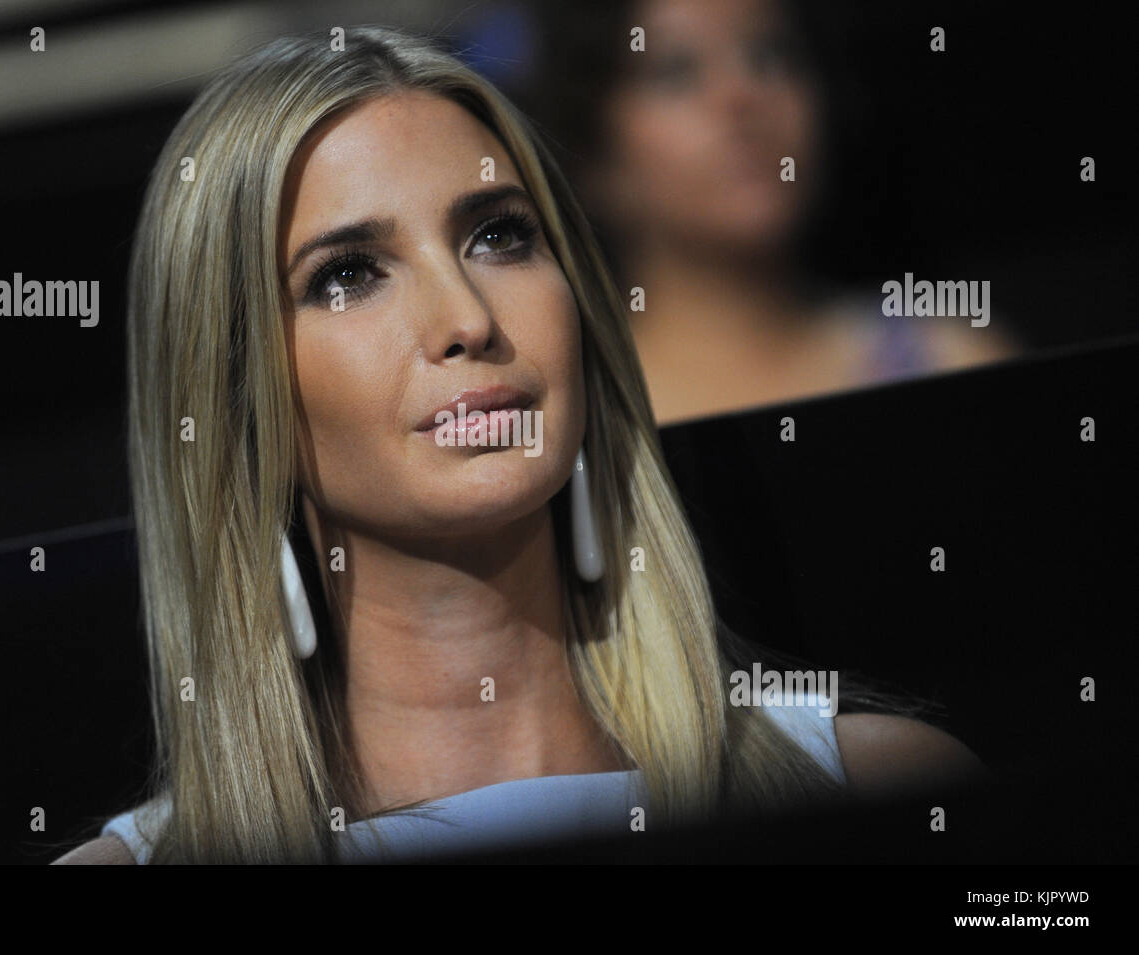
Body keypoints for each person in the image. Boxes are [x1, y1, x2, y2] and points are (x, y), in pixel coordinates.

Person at [53, 25, 986, 865]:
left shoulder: (886, 792)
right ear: (235, 398)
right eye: (346, 276)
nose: (466, 318)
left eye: (499, 235)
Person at [522, 0, 1019, 423]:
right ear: (593, 157)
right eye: (674, 71)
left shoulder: (949, 358)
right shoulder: (575, 412)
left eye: (770, 55)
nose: (741, 96)